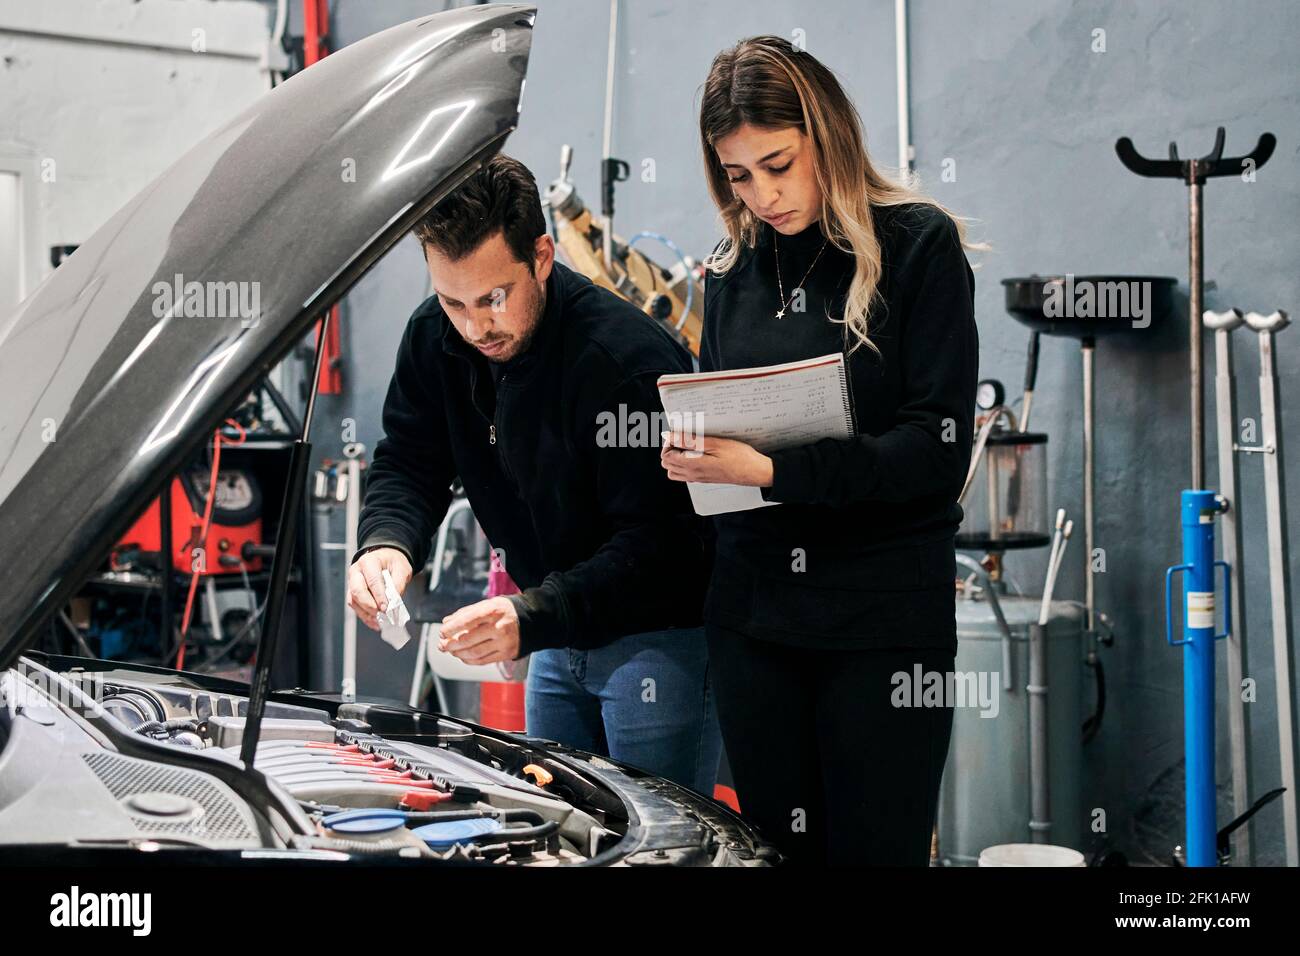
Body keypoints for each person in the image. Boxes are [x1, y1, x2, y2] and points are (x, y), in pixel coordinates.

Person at [661, 36, 980, 864]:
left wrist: (771, 470)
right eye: (737, 175)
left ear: (826, 137)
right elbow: (727, 437)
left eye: (778, 164)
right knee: (773, 853)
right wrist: (697, 458)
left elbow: (935, 451)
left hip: (883, 623)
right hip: (756, 622)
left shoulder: (918, 246)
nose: (762, 195)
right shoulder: (729, 273)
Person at [349, 154, 721, 795]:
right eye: (453, 301)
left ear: (542, 257)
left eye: (495, 297)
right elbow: (411, 457)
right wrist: (386, 540)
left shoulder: (623, 362)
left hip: (658, 638)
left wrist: (534, 614)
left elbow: (664, 545)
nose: (475, 326)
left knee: (662, 838)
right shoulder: (437, 335)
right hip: (554, 631)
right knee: (554, 825)